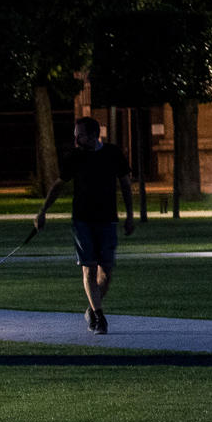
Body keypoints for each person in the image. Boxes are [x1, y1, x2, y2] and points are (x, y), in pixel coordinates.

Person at [34, 116, 134, 334]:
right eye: (75, 135)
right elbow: (59, 185)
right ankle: (99, 317)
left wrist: (130, 215)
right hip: (82, 221)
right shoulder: (74, 158)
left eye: (80, 135)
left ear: (93, 135)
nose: (76, 139)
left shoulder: (112, 154)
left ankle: (92, 308)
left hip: (107, 220)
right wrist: (43, 212)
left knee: (106, 272)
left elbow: (125, 184)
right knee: (88, 268)